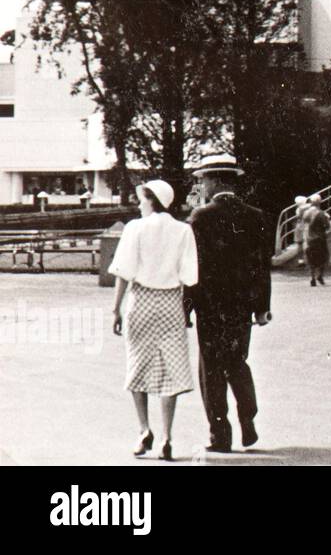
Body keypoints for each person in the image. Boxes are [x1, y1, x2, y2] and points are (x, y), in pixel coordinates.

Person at [186, 154, 272, 453]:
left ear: (216, 180)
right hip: (241, 306)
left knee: (211, 368)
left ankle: (220, 434)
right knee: (237, 361)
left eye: (204, 180)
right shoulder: (255, 215)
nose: (202, 186)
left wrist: (186, 307)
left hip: (210, 306)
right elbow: (261, 266)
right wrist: (262, 306)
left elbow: (193, 266)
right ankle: (248, 420)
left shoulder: (201, 216)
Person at [109, 179, 197, 462]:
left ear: (152, 200)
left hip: (141, 301)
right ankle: (167, 437)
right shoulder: (184, 230)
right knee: (170, 368)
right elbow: (189, 276)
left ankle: (144, 429)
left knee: (138, 364)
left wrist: (115, 309)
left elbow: (123, 271)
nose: (138, 204)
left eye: (142, 199)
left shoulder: (135, 228)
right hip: (171, 302)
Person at [302, 193, 330, 286]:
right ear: (319, 202)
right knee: (323, 257)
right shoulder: (321, 213)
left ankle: (312, 277)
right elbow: (327, 226)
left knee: (311, 259)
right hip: (319, 238)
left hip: (308, 238)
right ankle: (320, 275)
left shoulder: (306, 212)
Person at [292, 195, 309, 267]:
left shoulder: (298, 209)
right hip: (306, 226)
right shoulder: (306, 208)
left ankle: (300, 260)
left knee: (299, 243)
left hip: (299, 226)